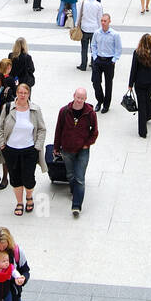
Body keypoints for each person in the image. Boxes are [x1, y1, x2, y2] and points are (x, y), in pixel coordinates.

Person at [0, 83, 47, 217]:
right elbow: (0, 128)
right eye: (20, 93)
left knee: (28, 177)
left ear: (29, 94)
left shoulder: (35, 110)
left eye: (25, 93)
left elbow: (41, 129)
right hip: (11, 150)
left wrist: (38, 147)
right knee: (15, 177)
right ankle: (19, 202)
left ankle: (29, 197)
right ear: (16, 94)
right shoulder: (8, 108)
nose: (22, 95)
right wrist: (2, 145)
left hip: (30, 150)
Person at [54, 87, 99, 218]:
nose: (79, 100)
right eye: (77, 97)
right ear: (74, 96)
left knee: (80, 178)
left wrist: (87, 144)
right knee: (70, 174)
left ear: (85, 99)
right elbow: (59, 129)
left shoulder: (90, 113)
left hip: (82, 150)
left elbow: (94, 131)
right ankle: (75, 190)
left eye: (82, 98)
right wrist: (57, 146)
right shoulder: (64, 111)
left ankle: (76, 205)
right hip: (67, 149)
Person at [127, 33, 151, 139]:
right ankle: (149, 115)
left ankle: (142, 131)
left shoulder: (137, 53)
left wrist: (130, 84)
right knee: (147, 98)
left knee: (141, 104)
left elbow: (134, 69)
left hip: (140, 82)